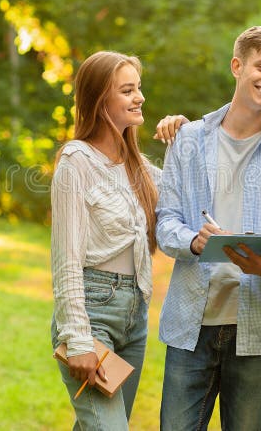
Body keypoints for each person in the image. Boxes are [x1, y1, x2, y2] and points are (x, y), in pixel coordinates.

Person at [154, 26, 261, 430]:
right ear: (237, 66)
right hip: (191, 325)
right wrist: (193, 241)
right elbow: (165, 222)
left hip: (260, 327)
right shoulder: (188, 139)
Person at [50, 51, 160, 430]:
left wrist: (183, 134)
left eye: (138, 88)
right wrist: (78, 338)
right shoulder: (76, 161)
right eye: (127, 90)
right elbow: (66, 258)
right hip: (93, 315)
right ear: (100, 101)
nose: (139, 97)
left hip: (135, 317)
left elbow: (193, 194)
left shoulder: (139, 167)